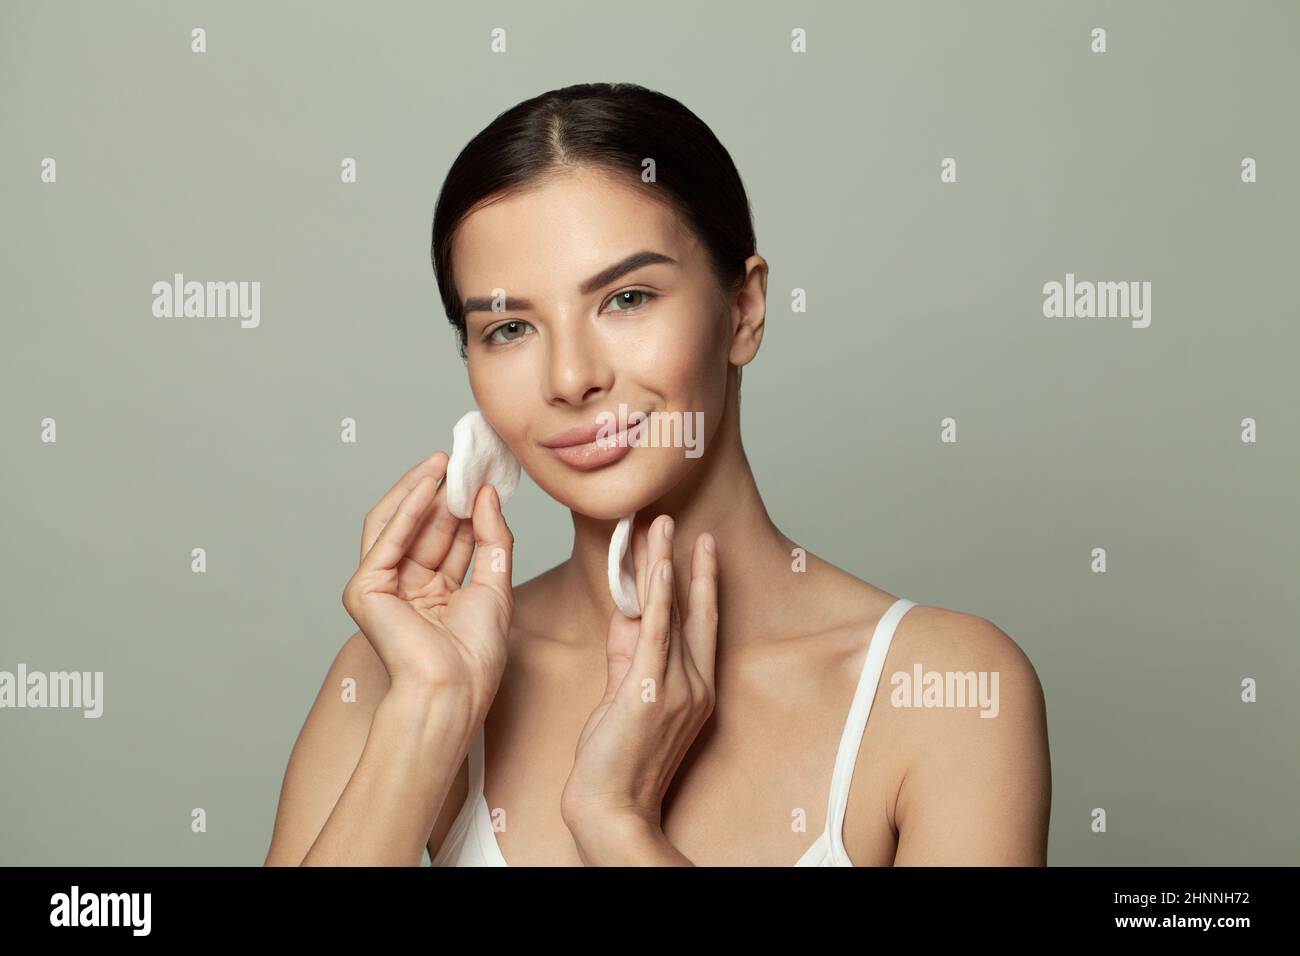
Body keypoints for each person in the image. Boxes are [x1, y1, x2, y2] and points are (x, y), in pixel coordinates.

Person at [264, 82, 1051, 867]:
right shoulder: (399, 671)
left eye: (627, 297)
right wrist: (430, 710)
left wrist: (617, 822)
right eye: (508, 328)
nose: (570, 378)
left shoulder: (945, 691)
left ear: (743, 310)